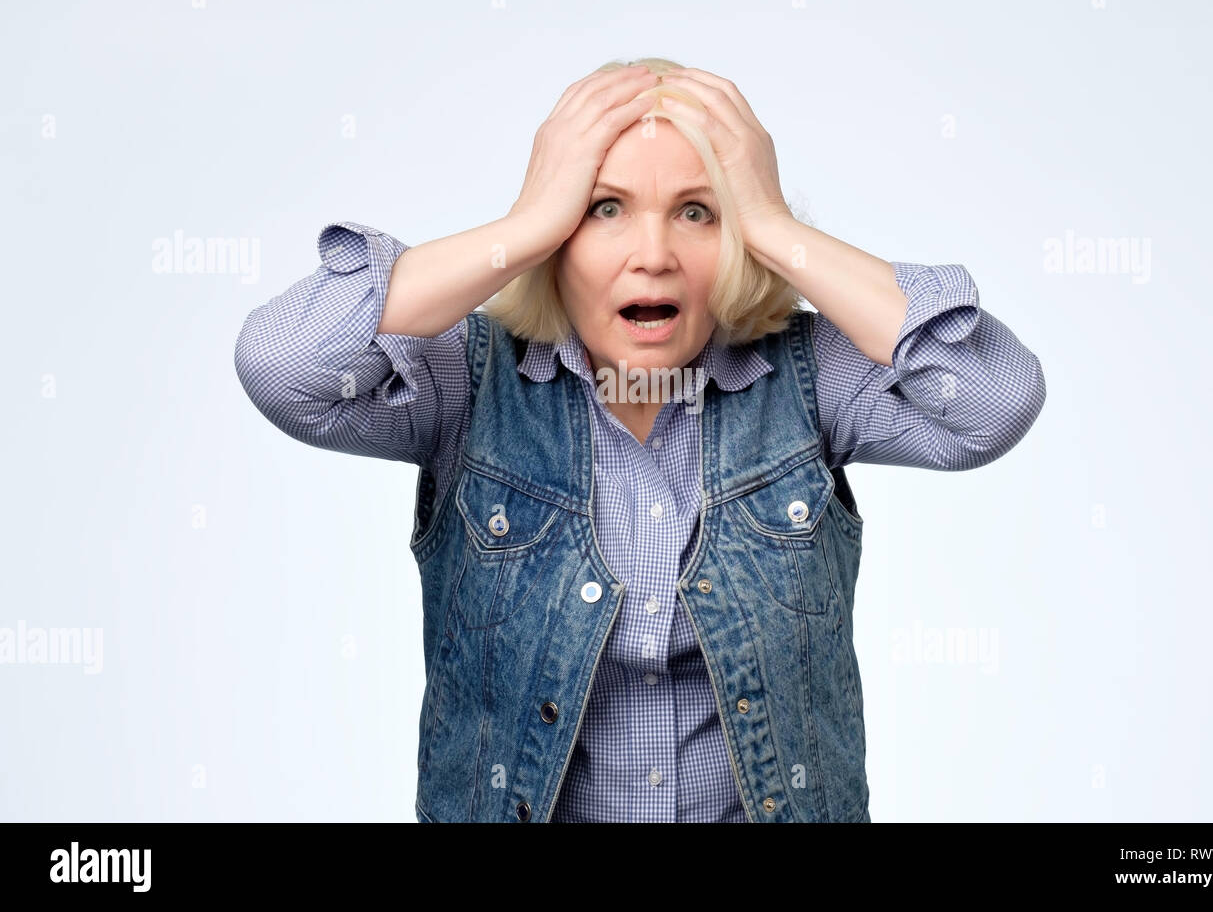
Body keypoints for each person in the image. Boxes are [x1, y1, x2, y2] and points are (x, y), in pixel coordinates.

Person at [233, 57, 1047, 822]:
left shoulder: (809, 378)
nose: (652, 256)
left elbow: (994, 402)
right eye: (604, 208)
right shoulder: (471, 382)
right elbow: (285, 364)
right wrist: (525, 226)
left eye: (697, 212)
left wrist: (770, 221)